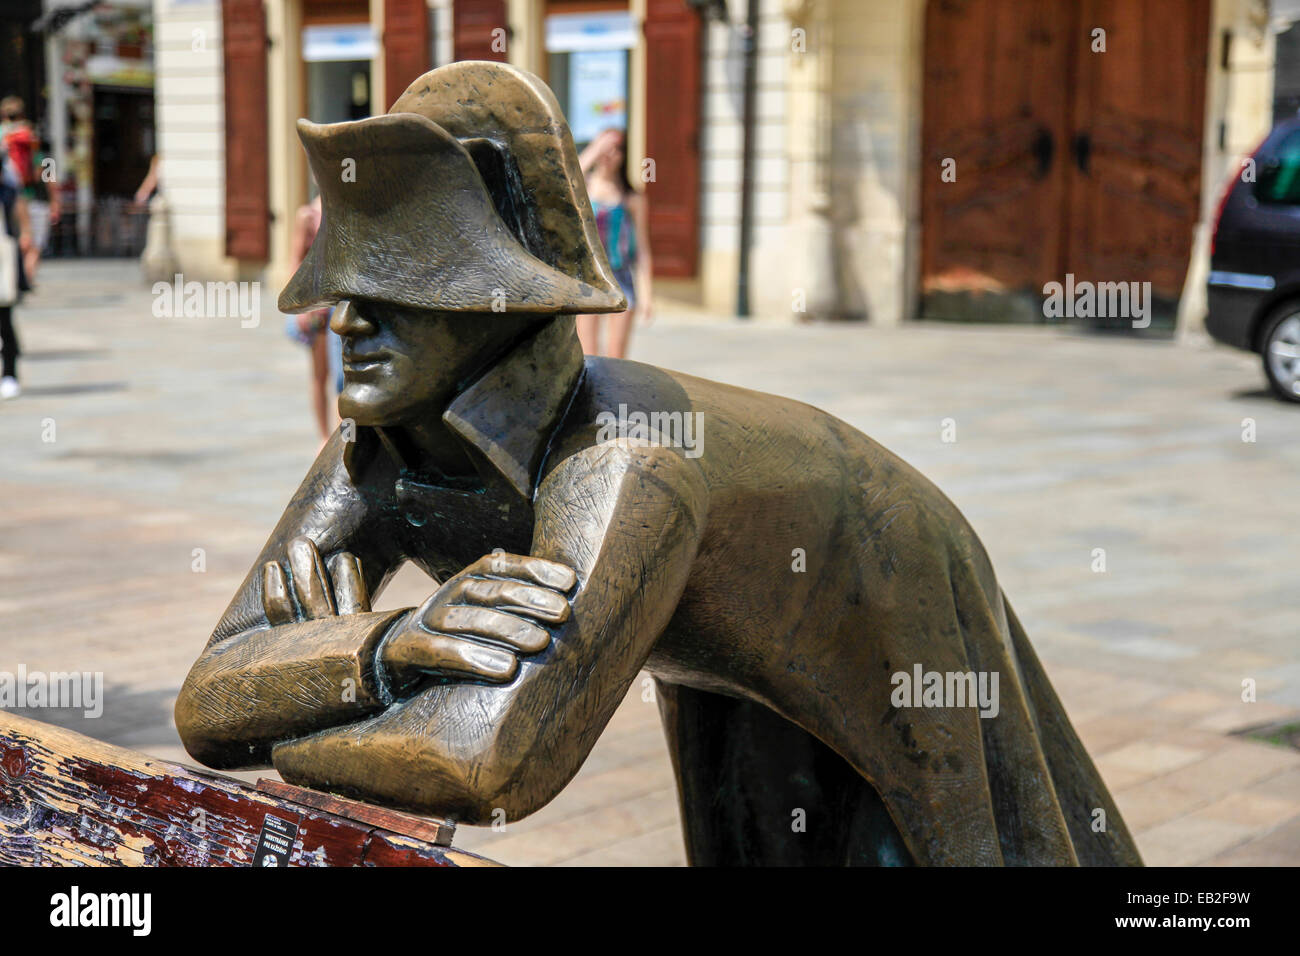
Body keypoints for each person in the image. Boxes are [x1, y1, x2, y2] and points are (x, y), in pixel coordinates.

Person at [175, 62, 1140, 866]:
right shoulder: (375, 448)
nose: (342, 320)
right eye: (345, 286)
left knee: (963, 842)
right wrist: (386, 649)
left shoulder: (628, 460)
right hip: (726, 633)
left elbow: (492, 765)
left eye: (389, 293)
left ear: (496, 308)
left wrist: (291, 690)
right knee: (752, 831)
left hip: (882, 564)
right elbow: (202, 705)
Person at [574, 127, 651, 359]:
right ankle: (590, 397)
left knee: (616, 361)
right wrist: (594, 150)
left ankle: (614, 398)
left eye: (616, 149)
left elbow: (643, 250)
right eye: (605, 149)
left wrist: (647, 294)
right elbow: (561, 179)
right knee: (588, 359)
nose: (610, 155)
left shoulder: (632, 197)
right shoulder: (582, 188)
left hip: (622, 278)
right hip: (588, 279)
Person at [286, 194, 338, 443]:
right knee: (320, 375)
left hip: (341, 305)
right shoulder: (308, 215)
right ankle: (323, 438)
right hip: (319, 306)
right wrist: (302, 307)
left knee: (343, 377)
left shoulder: (344, 207)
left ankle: (340, 445)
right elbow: (295, 261)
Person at [0, 97, 55, 283]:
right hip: (32, 195)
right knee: (34, 241)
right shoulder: (31, 138)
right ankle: (27, 277)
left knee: (14, 236)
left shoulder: (2, 136)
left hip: (7, 195)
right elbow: (47, 170)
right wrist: (55, 200)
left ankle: (18, 277)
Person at [0, 149, 32, 399]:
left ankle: (9, 372)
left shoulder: (8, 192)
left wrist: (25, 234)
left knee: (5, 321)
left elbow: (22, 223)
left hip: (3, 265)